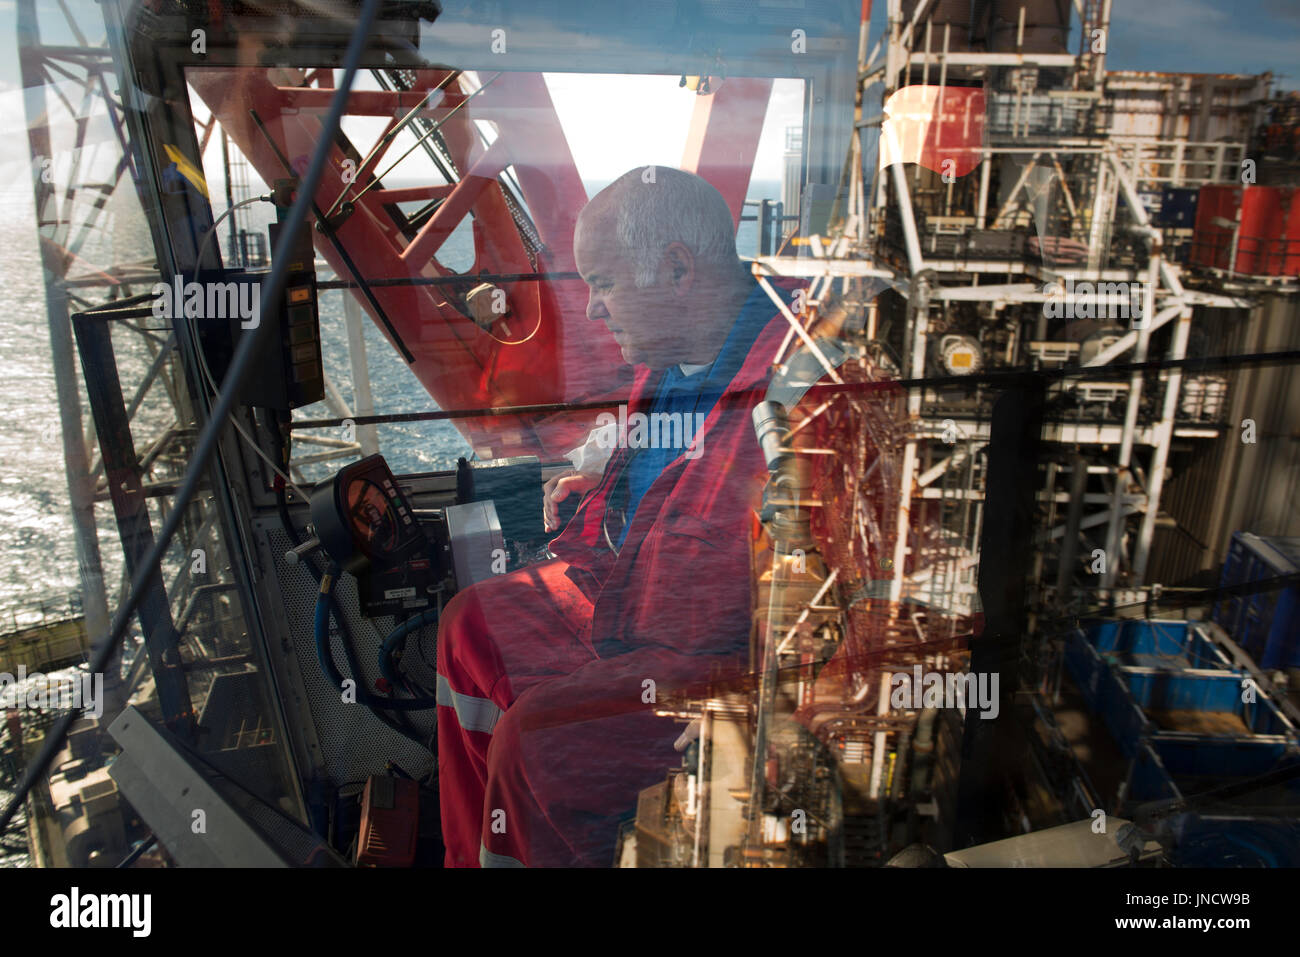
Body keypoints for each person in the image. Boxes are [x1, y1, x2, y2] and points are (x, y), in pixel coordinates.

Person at [435, 166, 800, 866]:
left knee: (536, 743)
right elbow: (662, 474)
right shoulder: (670, 359)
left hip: (706, 666)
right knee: (467, 627)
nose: (595, 310)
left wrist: (768, 706)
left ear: (675, 268)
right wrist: (599, 490)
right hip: (623, 593)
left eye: (602, 282)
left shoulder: (792, 386)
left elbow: (823, 581)